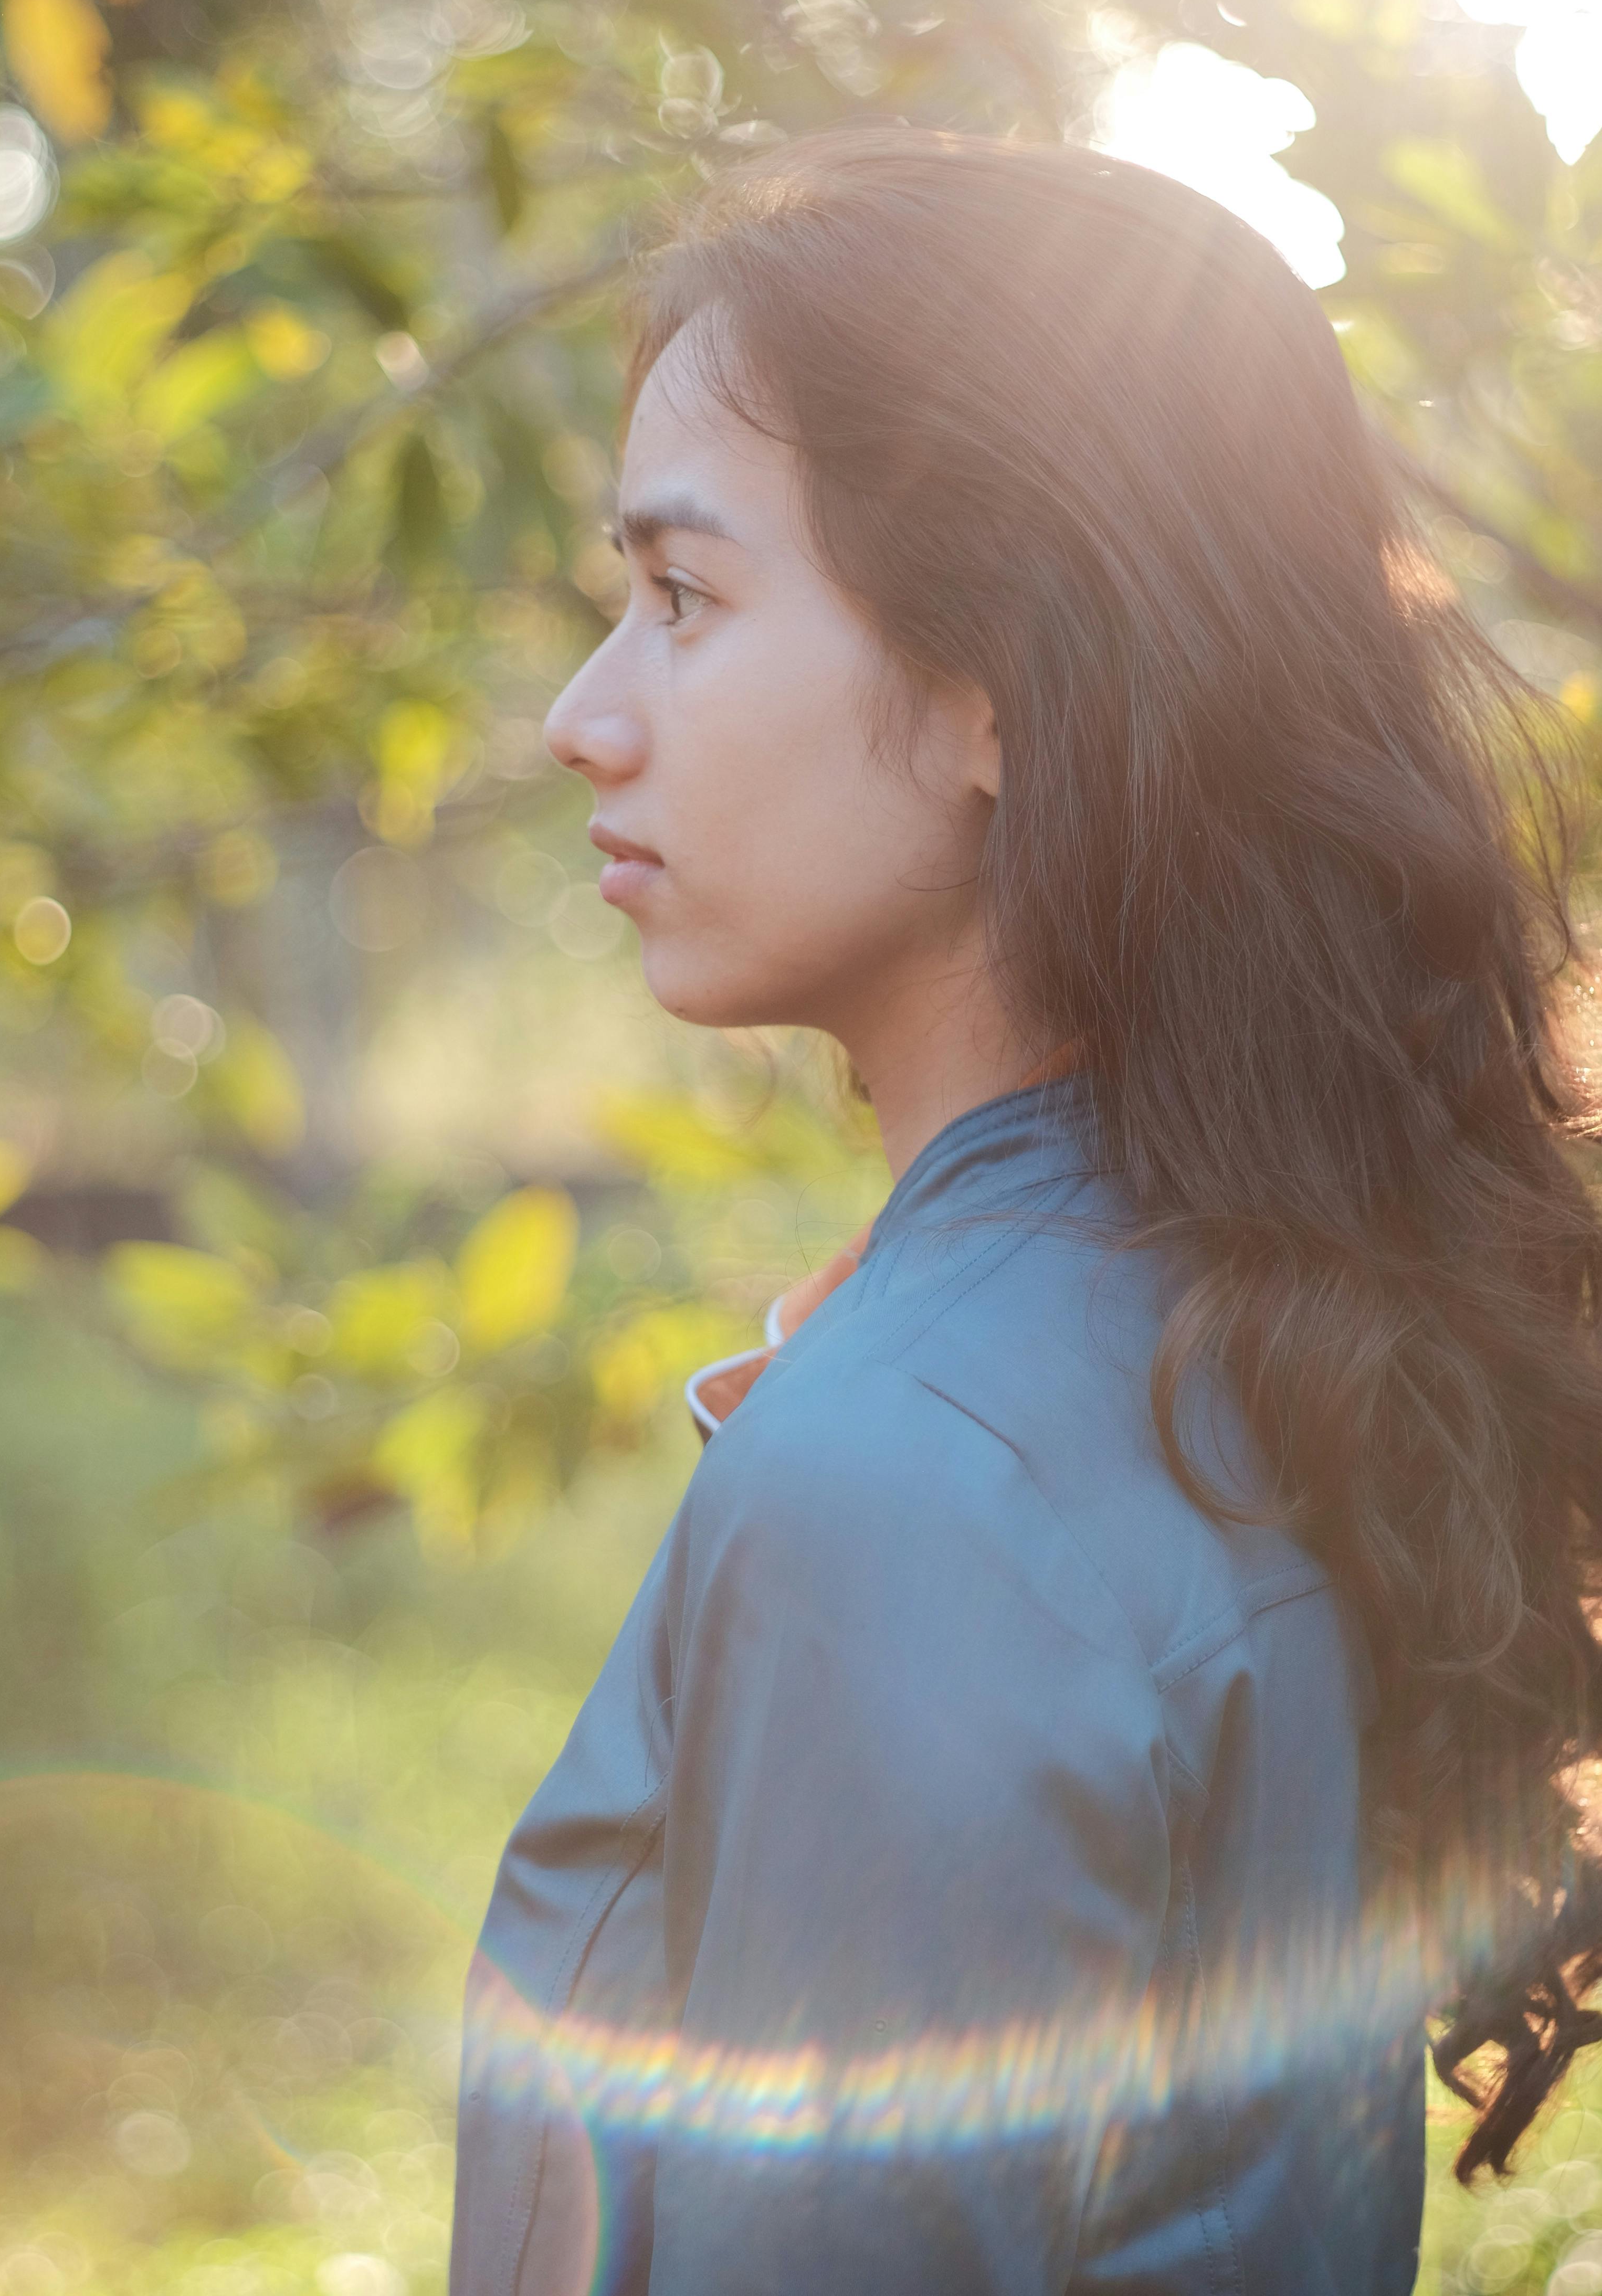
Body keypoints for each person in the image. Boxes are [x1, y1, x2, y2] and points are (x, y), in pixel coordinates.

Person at [446, 129, 1602, 2294]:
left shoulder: (924, 1484)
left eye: (683, 600)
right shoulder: (1245, 1319)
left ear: (1000, 686)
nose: (581, 716)